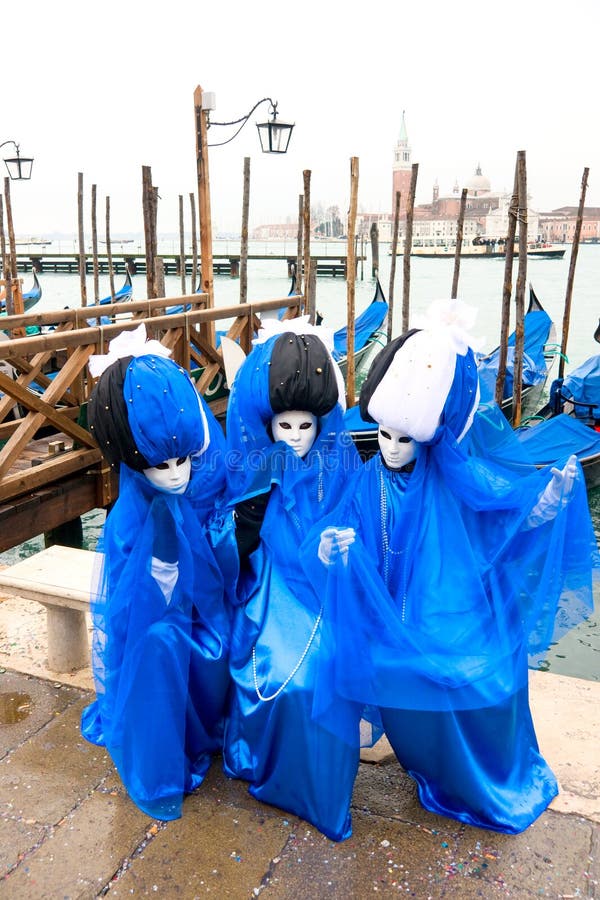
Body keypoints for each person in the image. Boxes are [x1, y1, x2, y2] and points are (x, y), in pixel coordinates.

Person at [312, 299, 598, 834]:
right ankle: (434, 766)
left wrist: (550, 494)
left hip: (455, 617)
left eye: (406, 438)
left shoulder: (453, 479)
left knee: (471, 677)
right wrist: (334, 547)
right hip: (394, 621)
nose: (392, 448)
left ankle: (472, 780)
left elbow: (504, 508)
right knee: (401, 670)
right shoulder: (366, 479)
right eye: (385, 434)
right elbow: (332, 530)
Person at [80, 325, 234, 821]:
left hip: (190, 612)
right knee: (161, 646)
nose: (177, 475)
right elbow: (130, 605)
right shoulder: (130, 518)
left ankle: (198, 721)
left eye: (184, 459)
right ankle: (161, 754)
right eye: (161, 464)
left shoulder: (186, 492)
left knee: (216, 639)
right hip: (156, 628)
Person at [222, 319, 363, 841]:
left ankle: (322, 788)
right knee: (284, 673)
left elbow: (352, 521)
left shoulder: (338, 461)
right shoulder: (256, 467)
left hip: (321, 589)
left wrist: (334, 548)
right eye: (286, 427)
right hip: (269, 588)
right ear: (269, 424)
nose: (296, 439)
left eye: (306, 427)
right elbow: (237, 541)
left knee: (330, 663)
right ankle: (267, 764)